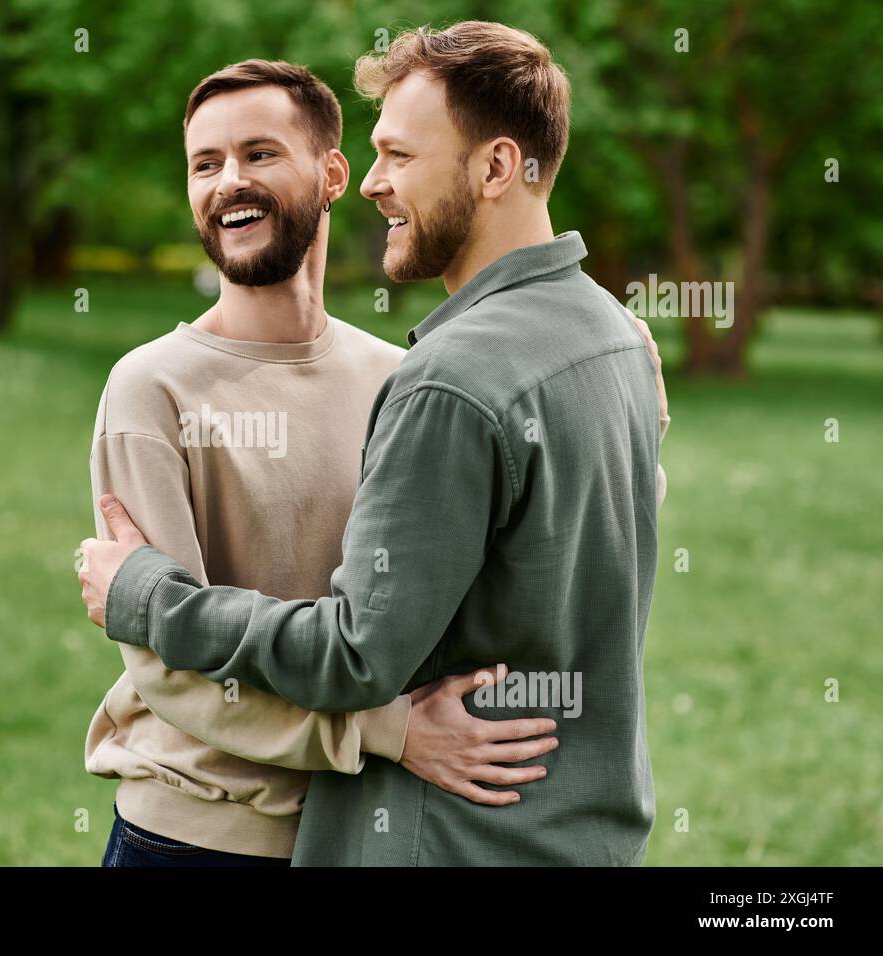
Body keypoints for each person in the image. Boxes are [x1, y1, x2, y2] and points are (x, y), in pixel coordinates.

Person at [80, 22, 671, 866]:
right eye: (203, 163)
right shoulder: (611, 338)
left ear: (497, 167)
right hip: (203, 835)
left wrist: (146, 594)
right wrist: (388, 732)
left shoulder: (429, 377)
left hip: (442, 833)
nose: (376, 183)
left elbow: (360, 650)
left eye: (397, 155)